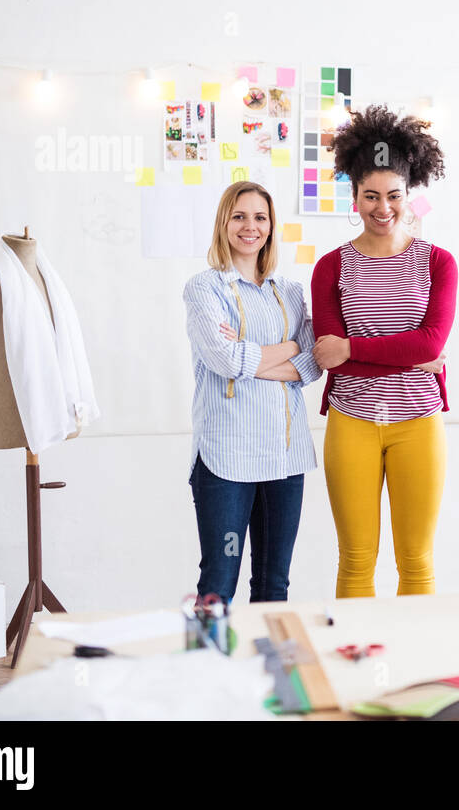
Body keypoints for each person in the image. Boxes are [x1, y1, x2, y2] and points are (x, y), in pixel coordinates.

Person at [311, 104, 457, 597]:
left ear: (409, 195)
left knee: (416, 562)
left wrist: (354, 348)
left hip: (419, 422)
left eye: (393, 195)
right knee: (355, 560)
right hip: (351, 421)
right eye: (370, 195)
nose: (383, 207)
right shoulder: (331, 268)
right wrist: (410, 354)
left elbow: (430, 343)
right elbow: (327, 356)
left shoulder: (438, 263)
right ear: (353, 197)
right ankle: (355, 667)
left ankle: (414, 665)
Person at [182, 181, 322, 604]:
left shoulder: (291, 292)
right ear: (224, 223)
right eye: (239, 216)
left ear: (271, 226)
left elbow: (314, 363)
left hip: (285, 455)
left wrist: (254, 357)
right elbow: (225, 362)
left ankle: (267, 670)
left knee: (273, 583)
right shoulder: (204, 289)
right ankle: (211, 669)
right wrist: (291, 348)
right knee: (218, 582)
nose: (250, 227)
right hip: (226, 459)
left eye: (260, 217)